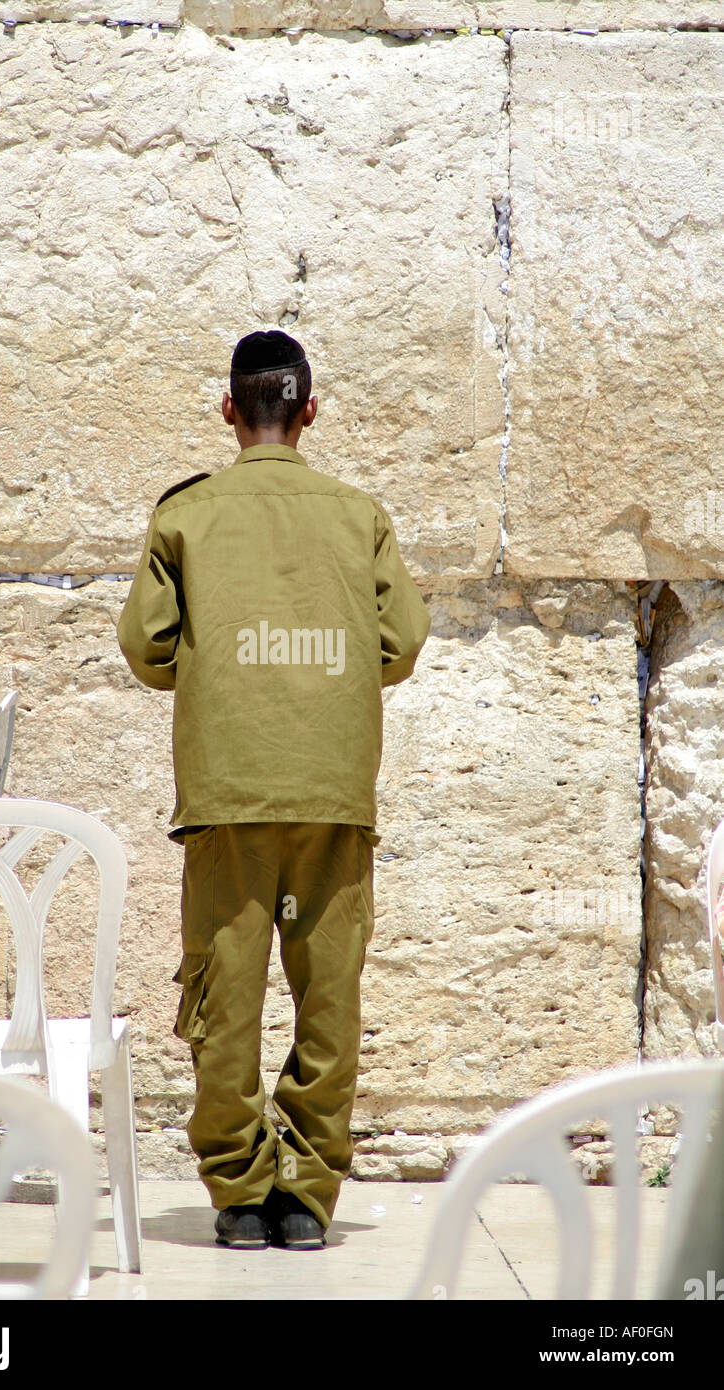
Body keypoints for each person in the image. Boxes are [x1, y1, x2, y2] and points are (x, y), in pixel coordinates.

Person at [117, 329, 430, 1251]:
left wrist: (223, 675)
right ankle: (308, 1196)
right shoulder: (356, 511)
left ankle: (241, 1191)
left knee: (226, 1000)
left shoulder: (186, 515)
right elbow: (402, 642)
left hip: (228, 790)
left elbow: (146, 649)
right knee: (329, 996)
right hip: (335, 786)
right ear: (309, 411)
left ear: (228, 410)